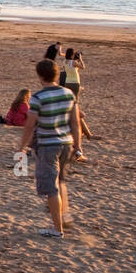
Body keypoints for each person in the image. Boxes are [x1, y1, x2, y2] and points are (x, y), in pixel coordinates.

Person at [19, 59, 81, 238]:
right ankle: (64, 214)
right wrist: (78, 146)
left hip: (48, 145)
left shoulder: (38, 98)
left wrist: (22, 147)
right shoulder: (69, 94)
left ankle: (57, 229)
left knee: (51, 188)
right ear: (56, 74)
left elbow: (30, 125)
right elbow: (75, 123)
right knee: (60, 181)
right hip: (66, 143)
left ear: (40, 76)